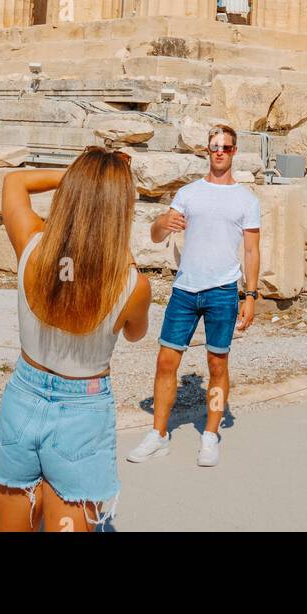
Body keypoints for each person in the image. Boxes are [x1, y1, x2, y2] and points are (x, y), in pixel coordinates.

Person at [0, 148, 151, 532]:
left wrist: (78, 176)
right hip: (82, 410)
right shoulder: (131, 284)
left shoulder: (31, 243)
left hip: (23, 398)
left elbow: (15, 181)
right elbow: (136, 333)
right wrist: (101, 186)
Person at [126, 123, 261, 468]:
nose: (219, 152)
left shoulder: (246, 199)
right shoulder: (187, 193)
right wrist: (161, 222)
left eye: (226, 147)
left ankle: (211, 435)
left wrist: (251, 295)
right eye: (214, 146)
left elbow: (251, 251)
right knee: (165, 361)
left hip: (222, 290)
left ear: (234, 152)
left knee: (217, 363)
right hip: (185, 288)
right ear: (207, 150)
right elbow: (157, 236)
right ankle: (158, 435)